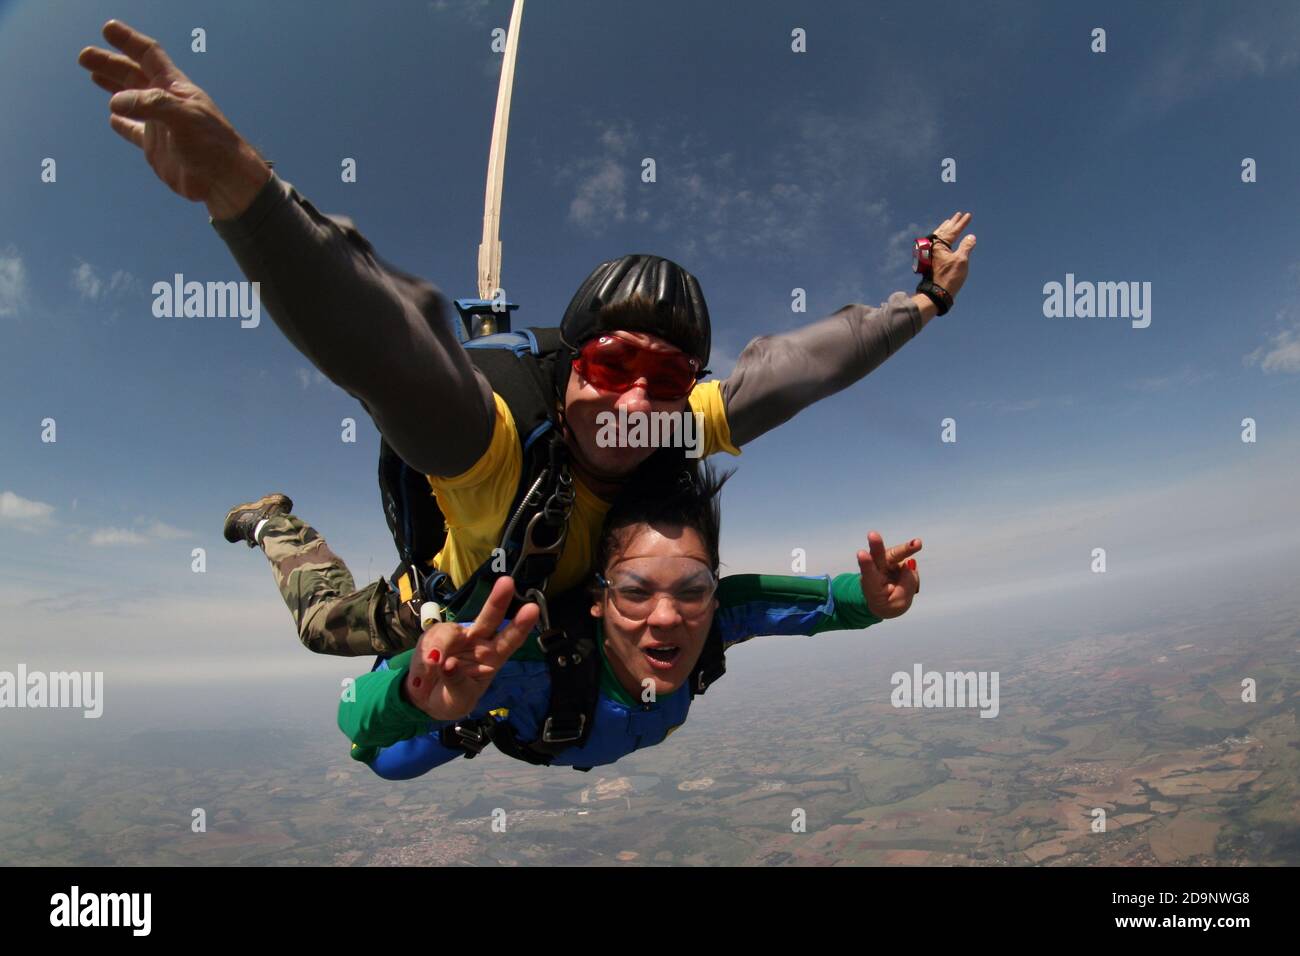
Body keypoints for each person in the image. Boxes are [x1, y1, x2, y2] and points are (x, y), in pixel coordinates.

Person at [81, 19, 973, 649]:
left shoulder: (667, 423)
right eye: (613, 363)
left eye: (668, 380)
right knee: (323, 629)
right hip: (446, 606)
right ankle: (279, 524)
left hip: (565, 619)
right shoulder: (492, 444)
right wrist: (247, 198)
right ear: (570, 368)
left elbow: (799, 369)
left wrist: (922, 304)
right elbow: (384, 351)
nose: (635, 400)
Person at [338, 462, 923, 776]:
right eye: (636, 592)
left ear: (714, 593)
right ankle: (274, 531)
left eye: (692, 590)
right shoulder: (521, 662)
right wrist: (416, 697)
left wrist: (872, 599)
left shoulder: (715, 616)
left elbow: (818, 602)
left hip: (575, 734)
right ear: (597, 598)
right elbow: (356, 724)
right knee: (394, 765)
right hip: (477, 718)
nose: (666, 617)